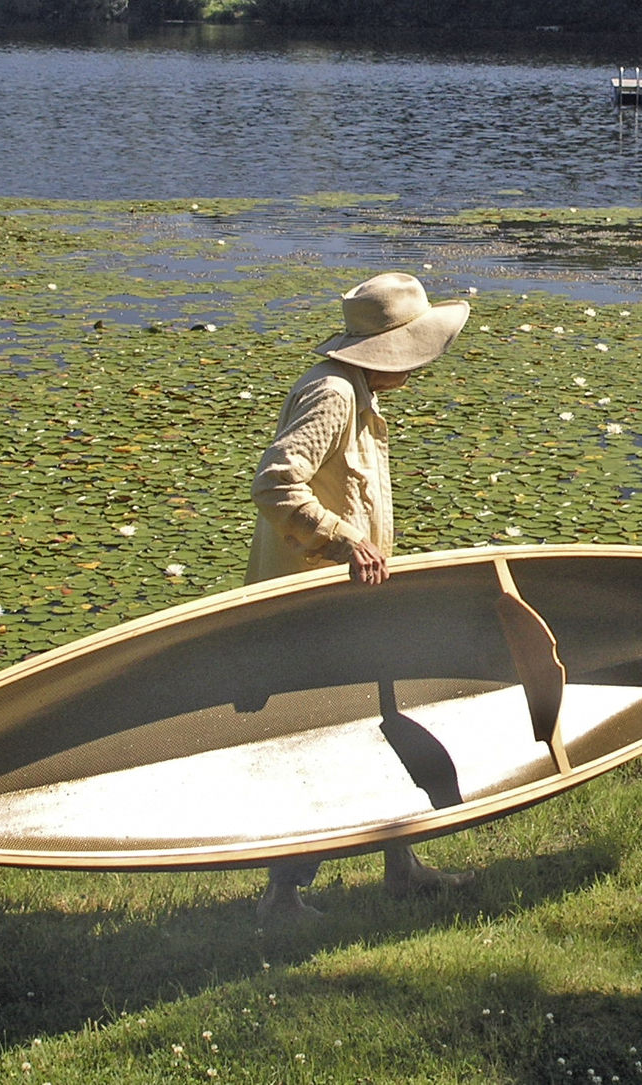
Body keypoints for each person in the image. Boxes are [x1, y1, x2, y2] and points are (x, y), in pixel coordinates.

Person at [248, 271, 473, 924]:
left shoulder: (360, 394)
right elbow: (275, 485)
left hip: (356, 604)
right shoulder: (331, 395)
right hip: (312, 611)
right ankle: (281, 896)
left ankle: (400, 866)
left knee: (387, 721)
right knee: (316, 744)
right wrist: (345, 540)